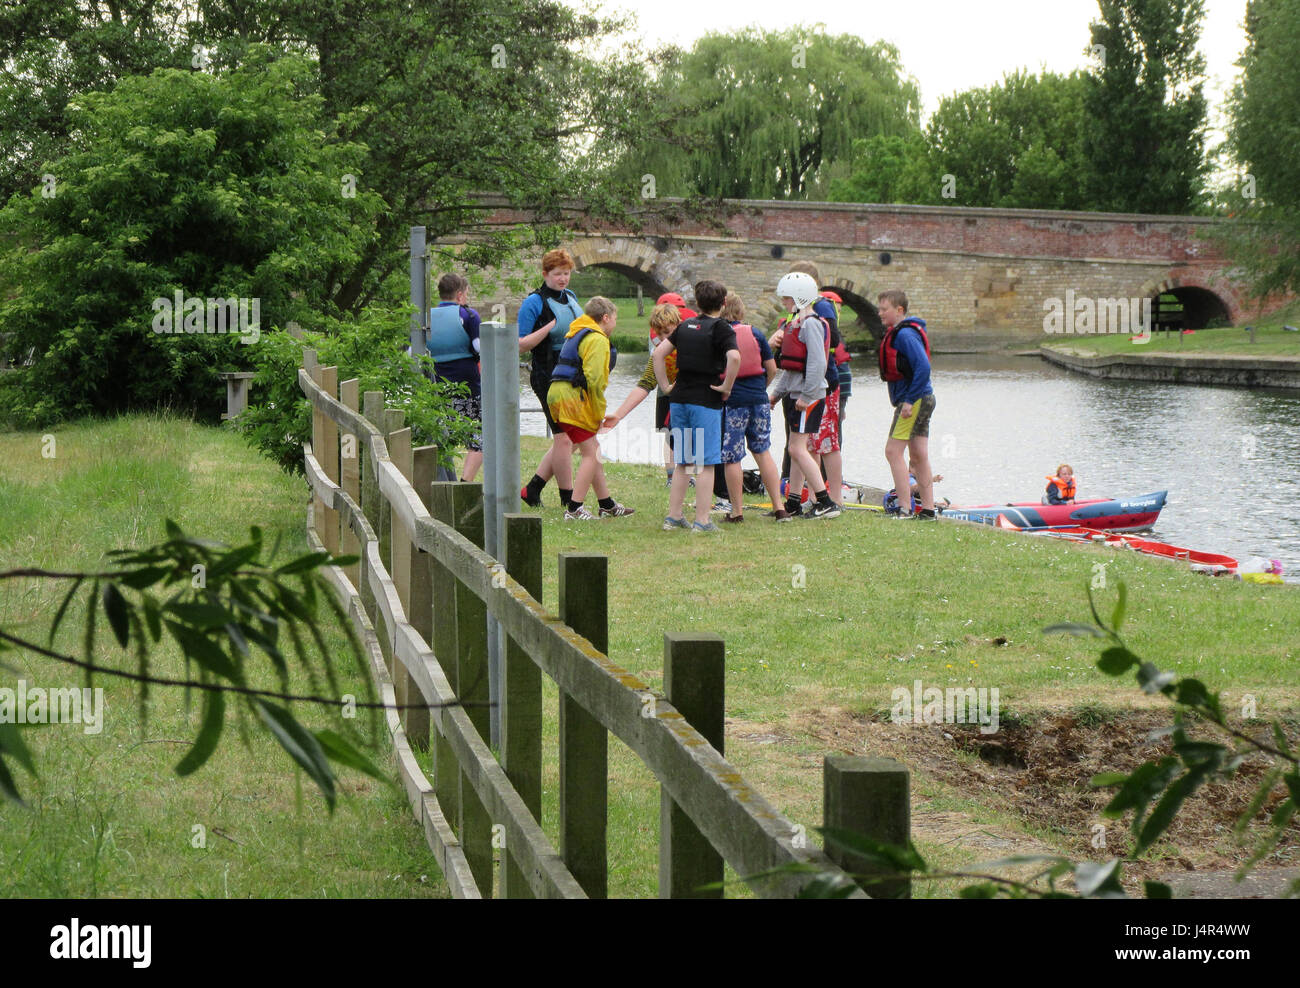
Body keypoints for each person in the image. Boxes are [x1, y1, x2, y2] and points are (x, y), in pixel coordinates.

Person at [654, 280, 740, 534]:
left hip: (679, 399)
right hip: (706, 401)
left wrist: (666, 385)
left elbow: (659, 354)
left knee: (683, 461)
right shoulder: (722, 328)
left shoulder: (685, 326)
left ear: (697, 303)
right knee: (705, 463)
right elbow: (734, 357)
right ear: (723, 303)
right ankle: (702, 520)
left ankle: (674, 517)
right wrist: (727, 386)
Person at [546, 296, 634, 521]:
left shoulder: (578, 331)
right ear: (605, 318)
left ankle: (607, 504)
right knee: (592, 454)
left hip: (559, 395)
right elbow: (595, 380)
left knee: (591, 449)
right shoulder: (597, 338)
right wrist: (597, 412)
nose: (615, 323)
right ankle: (574, 508)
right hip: (573, 400)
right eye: (614, 318)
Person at [770, 272, 840, 520]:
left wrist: (808, 395)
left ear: (799, 297)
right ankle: (793, 502)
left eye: (787, 298)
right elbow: (791, 369)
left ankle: (825, 501)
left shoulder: (810, 324)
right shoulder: (796, 323)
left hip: (807, 397)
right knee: (796, 449)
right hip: (797, 394)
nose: (785, 303)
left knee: (798, 449)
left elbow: (817, 365)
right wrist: (776, 395)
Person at [518, 249, 582, 509]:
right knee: (564, 438)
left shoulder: (571, 297)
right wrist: (549, 327)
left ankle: (532, 488)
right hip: (547, 375)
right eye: (557, 274)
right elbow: (520, 345)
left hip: (573, 375)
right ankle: (568, 500)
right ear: (545, 274)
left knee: (575, 437)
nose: (563, 279)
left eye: (566, 273)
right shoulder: (533, 302)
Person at [716, 294, 787, 523]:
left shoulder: (719, 335)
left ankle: (737, 512)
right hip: (759, 400)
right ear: (741, 311)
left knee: (732, 456)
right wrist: (762, 388)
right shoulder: (755, 333)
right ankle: (779, 508)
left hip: (733, 402)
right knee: (762, 451)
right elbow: (772, 368)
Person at [604, 303, 681, 485]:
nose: (663, 339)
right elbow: (644, 385)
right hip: (670, 397)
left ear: (679, 326)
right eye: (659, 334)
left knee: (694, 438)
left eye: (668, 333)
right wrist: (618, 415)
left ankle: (696, 477)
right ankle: (672, 477)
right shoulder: (660, 354)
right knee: (670, 435)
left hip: (695, 401)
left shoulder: (693, 345)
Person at [878, 289, 937, 520]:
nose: (880, 313)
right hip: (925, 397)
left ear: (899, 310)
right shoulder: (903, 332)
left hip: (914, 399)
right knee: (919, 455)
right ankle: (929, 510)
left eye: (885, 309)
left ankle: (905, 508)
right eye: (879, 309)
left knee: (893, 452)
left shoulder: (904, 335)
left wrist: (909, 401)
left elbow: (923, 367)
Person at [423, 272, 483, 482]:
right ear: (459, 295)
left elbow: (413, 352)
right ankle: (464, 483)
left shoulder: (425, 318)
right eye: (466, 293)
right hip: (468, 387)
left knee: (442, 435)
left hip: (436, 387)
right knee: (479, 438)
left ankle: (444, 481)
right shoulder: (469, 316)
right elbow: (480, 349)